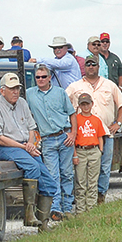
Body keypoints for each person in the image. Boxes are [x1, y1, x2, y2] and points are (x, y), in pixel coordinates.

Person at [0, 73, 57, 228]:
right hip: (3, 148)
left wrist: (30, 144)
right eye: (11, 89)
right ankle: (28, 214)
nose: (15, 92)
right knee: (32, 167)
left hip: (24, 147)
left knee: (50, 184)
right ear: (2, 90)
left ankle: (43, 227)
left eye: (17, 88)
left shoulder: (22, 103)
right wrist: (25, 147)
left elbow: (31, 127)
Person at [64, 53, 122, 205]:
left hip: (105, 133)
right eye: (88, 65)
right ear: (84, 67)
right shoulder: (75, 86)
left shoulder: (109, 85)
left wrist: (118, 123)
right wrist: (68, 126)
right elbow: (62, 104)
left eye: (94, 64)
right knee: (81, 169)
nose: (91, 67)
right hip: (82, 136)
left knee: (105, 168)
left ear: (98, 67)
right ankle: (82, 200)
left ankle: (100, 197)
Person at [23, 64, 73, 220]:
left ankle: (68, 207)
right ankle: (55, 208)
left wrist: (73, 133)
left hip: (64, 136)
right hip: (47, 139)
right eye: (37, 77)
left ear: (49, 78)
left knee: (67, 174)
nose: (40, 79)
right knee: (53, 175)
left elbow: (72, 113)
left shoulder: (60, 92)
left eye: (43, 76)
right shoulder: (29, 94)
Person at [68, 93, 108, 213]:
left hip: (94, 150)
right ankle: (80, 210)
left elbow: (100, 136)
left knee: (93, 181)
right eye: (83, 104)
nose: (85, 107)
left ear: (92, 104)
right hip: (81, 151)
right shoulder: (76, 119)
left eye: (87, 104)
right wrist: (74, 154)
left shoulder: (96, 120)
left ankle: (91, 209)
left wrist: (100, 151)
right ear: (79, 106)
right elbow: (73, 138)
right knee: (80, 181)